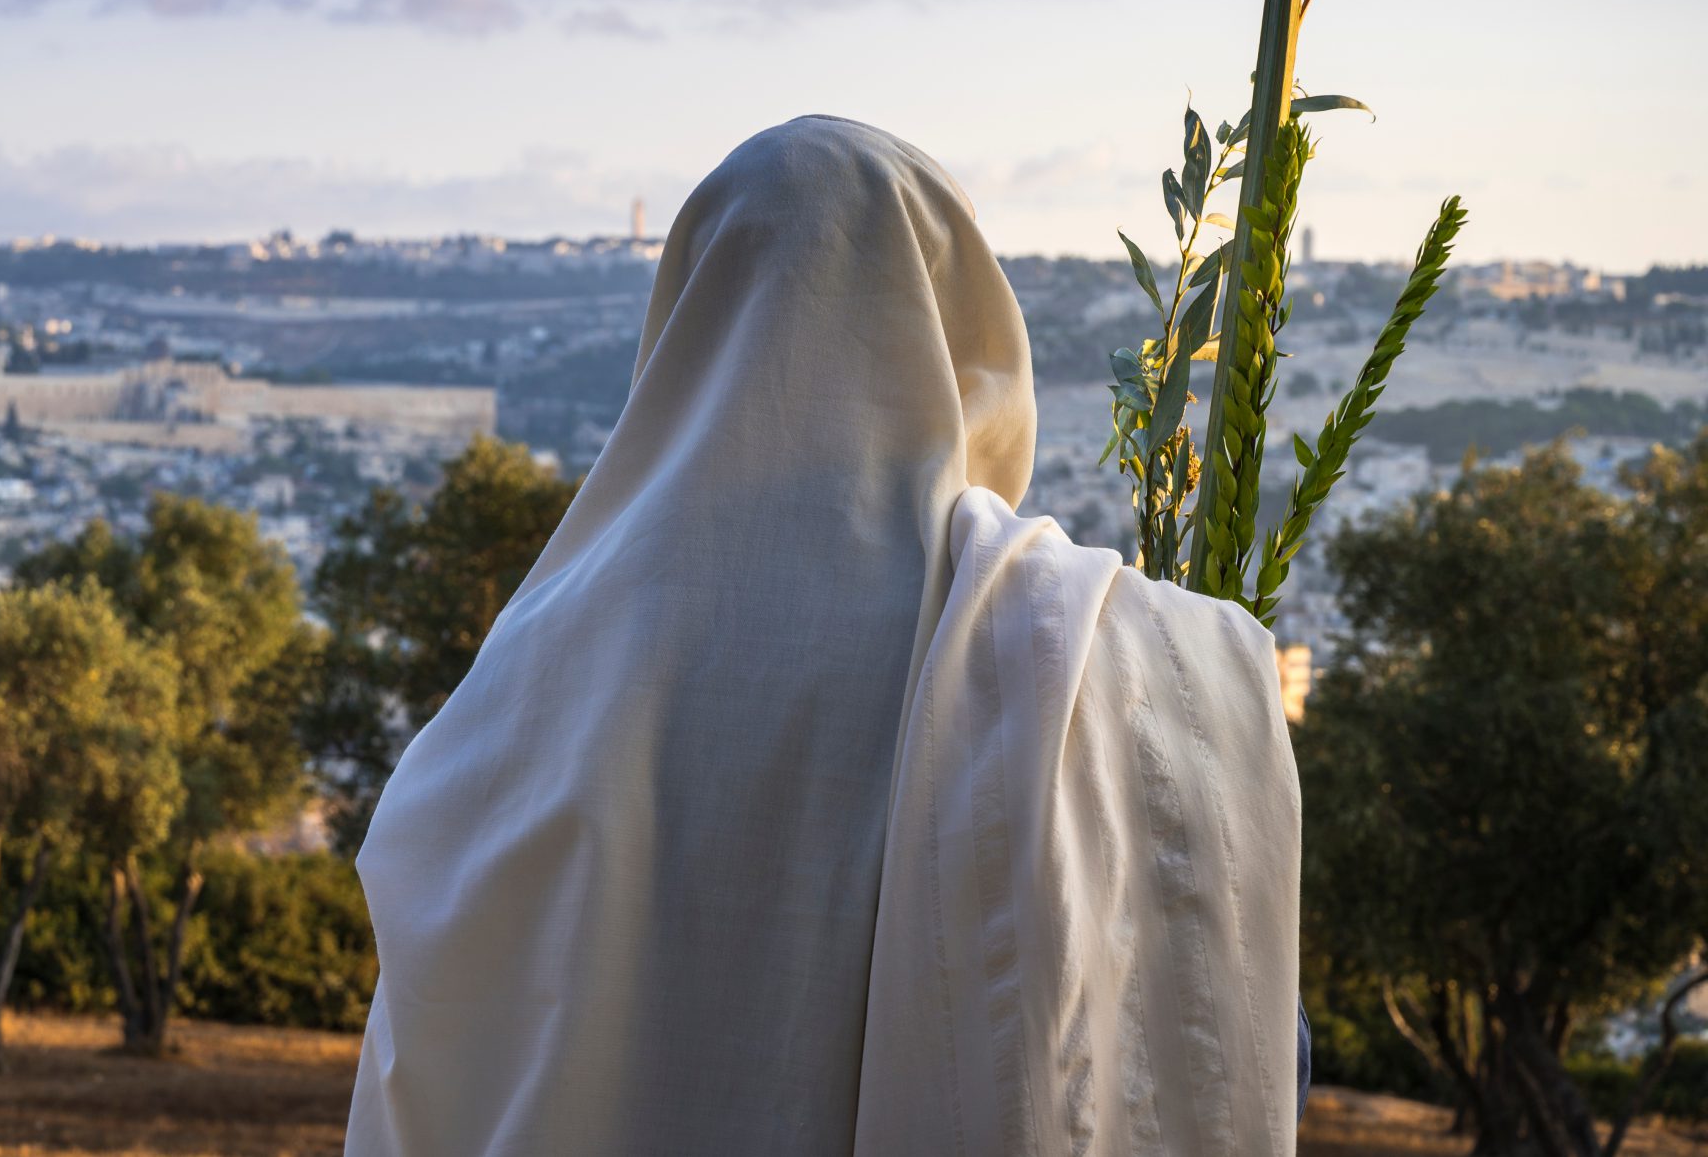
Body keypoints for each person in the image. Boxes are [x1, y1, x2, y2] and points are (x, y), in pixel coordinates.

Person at [344, 117, 1304, 1156]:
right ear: (966, 324)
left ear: (689, 314)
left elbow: (435, 1006)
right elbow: (1230, 1027)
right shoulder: (1079, 642)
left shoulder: (538, 657)